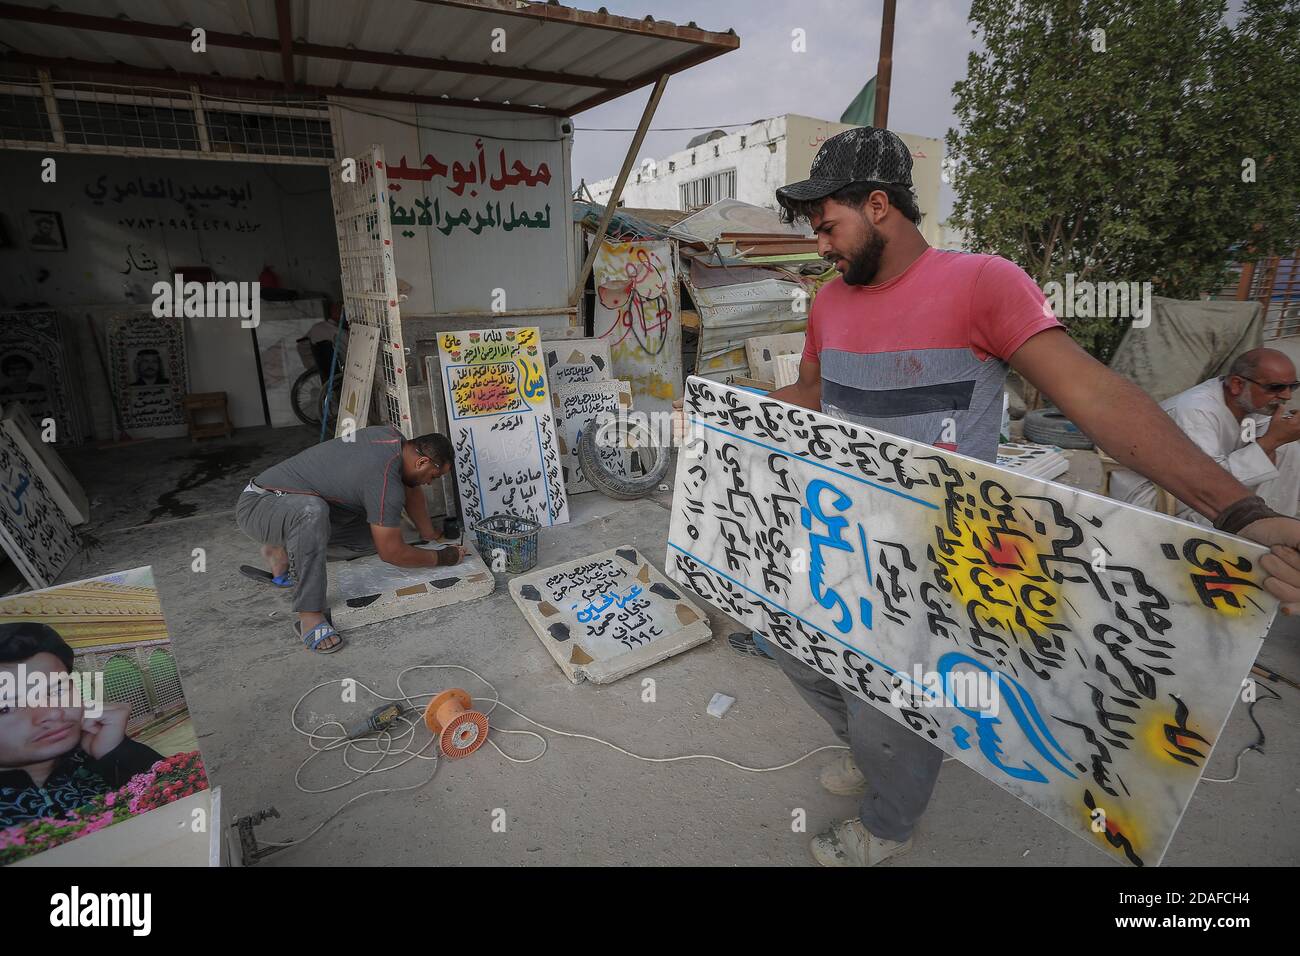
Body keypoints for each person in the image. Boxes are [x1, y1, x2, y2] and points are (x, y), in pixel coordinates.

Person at [760, 126, 1300, 867]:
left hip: (936, 557)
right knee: (791, 650)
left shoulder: (983, 282)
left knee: (890, 704)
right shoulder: (829, 304)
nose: (821, 246)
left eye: (829, 227)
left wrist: (1241, 511)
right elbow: (815, 393)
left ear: (879, 205)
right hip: (841, 536)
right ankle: (882, 749)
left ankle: (888, 823)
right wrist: (729, 413)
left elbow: (1096, 397)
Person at [235, 427, 466, 654]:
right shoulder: (384, 478)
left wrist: (431, 536)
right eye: (433, 477)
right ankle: (310, 614)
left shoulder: (395, 442)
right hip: (261, 504)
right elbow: (391, 554)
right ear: (422, 462)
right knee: (313, 513)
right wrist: (442, 557)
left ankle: (282, 552)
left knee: (376, 537)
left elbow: (411, 488)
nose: (429, 483)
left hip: (296, 505)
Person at [0, 623, 163, 829]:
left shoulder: (98, 756)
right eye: (6, 707)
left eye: (58, 690)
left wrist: (117, 753)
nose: (53, 712)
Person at [1111, 349, 1300, 522]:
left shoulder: (1248, 403)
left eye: (1292, 387)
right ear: (1237, 384)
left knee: (1287, 447)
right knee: (1277, 444)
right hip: (1157, 493)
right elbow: (1205, 484)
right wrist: (1272, 440)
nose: (1286, 396)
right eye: (1276, 388)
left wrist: (1282, 433)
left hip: (1201, 484)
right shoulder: (1196, 410)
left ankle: (1276, 527)